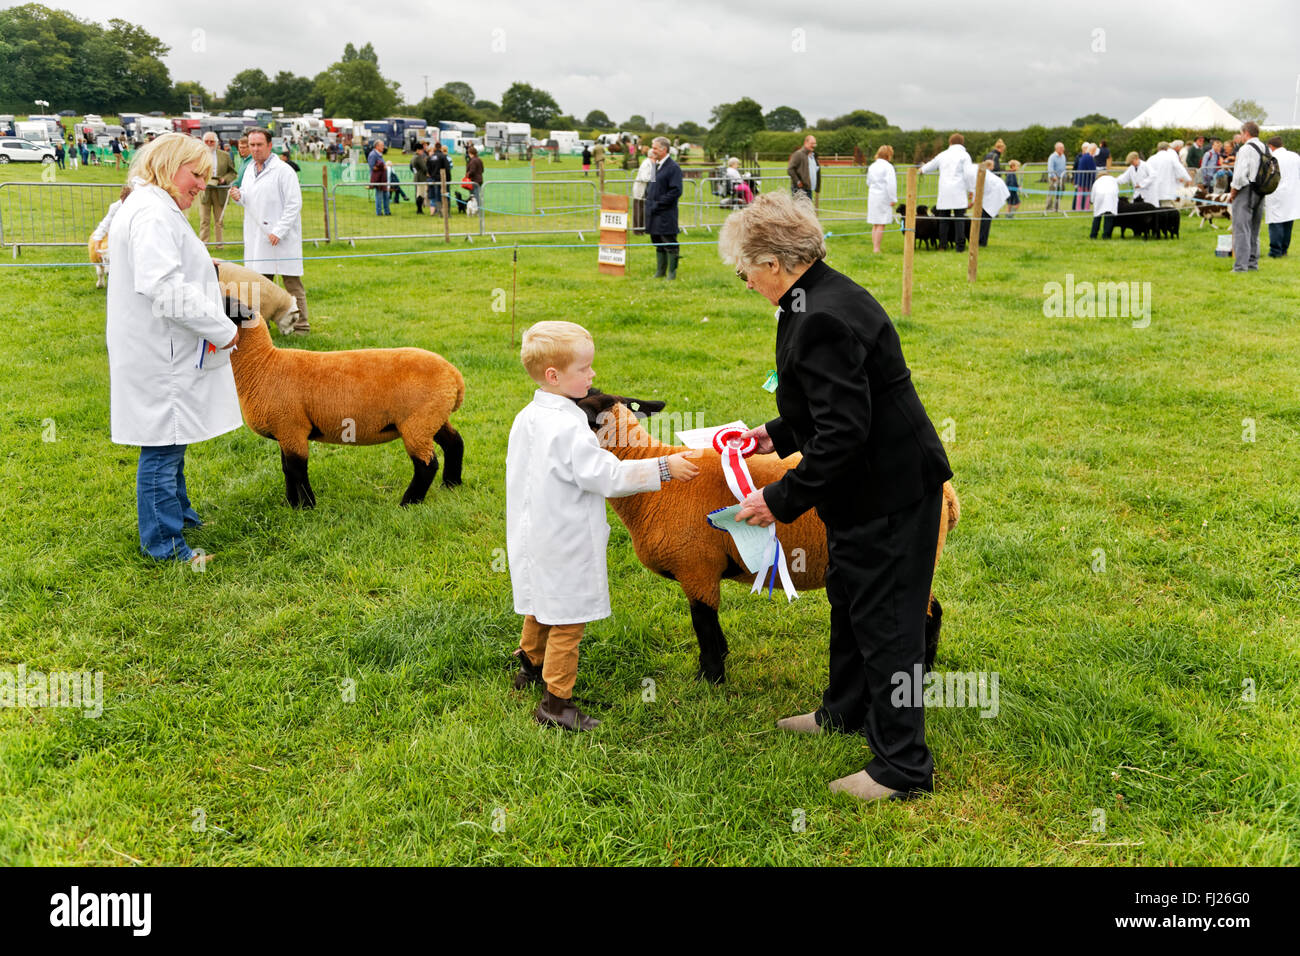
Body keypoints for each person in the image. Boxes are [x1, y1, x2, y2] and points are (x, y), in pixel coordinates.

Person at [719, 192, 952, 803]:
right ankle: (845, 710)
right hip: (861, 492)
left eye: (744, 267)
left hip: (890, 493)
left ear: (773, 262)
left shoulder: (822, 313)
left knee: (889, 625)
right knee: (850, 601)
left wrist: (780, 498)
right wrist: (774, 433)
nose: (743, 280)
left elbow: (847, 432)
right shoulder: (813, 297)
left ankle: (902, 768)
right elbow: (830, 406)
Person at [506, 321, 699, 731]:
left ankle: (527, 663)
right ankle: (556, 703)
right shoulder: (569, 425)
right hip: (564, 537)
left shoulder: (528, 415)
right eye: (585, 370)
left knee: (542, 601)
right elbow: (605, 475)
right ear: (554, 376)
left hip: (534, 533)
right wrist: (664, 466)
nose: (593, 377)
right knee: (568, 619)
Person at [105, 133, 241, 568]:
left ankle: (179, 515)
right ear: (167, 165)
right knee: (163, 443)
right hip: (160, 350)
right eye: (196, 174)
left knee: (172, 438)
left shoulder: (152, 206)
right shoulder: (151, 214)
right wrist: (224, 329)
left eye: (206, 175)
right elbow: (164, 287)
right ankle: (166, 546)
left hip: (163, 346)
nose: (203, 184)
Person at [230, 127, 309, 334]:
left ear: (269, 145)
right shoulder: (249, 170)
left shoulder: (284, 171)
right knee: (259, 284)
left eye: (259, 145)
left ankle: (301, 326)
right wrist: (239, 197)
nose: (255, 149)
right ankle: (260, 327)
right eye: (251, 145)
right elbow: (250, 198)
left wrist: (279, 231)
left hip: (280, 238)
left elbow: (294, 204)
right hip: (258, 237)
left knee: (292, 283)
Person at [920, 133, 972, 251]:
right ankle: (960, 247)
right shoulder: (965, 155)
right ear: (962, 143)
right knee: (959, 220)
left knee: (943, 220)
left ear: (950, 143)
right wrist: (971, 190)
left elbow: (932, 164)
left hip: (945, 191)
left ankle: (942, 245)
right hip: (959, 190)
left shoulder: (943, 154)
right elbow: (968, 174)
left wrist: (921, 170)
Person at [1230, 121, 1268, 272]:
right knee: (1254, 229)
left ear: (1246, 133)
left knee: (1241, 229)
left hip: (1245, 190)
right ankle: (1253, 263)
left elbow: (1240, 175)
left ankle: (1240, 266)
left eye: (1241, 133)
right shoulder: (1264, 147)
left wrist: (1233, 191)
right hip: (1260, 191)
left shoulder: (1246, 149)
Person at [646, 135, 682, 279]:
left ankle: (671, 273)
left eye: (654, 148)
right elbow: (653, 183)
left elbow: (676, 191)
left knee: (669, 241)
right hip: (653, 211)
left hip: (666, 212)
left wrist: (659, 203)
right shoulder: (657, 165)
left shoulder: (673, 167)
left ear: (664, 149)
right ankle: (660, 271)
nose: (652, 150)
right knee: (657, 241)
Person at [198, 132, 239, 246]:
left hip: (220, 190)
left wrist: (224, 180)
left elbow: (232, 173)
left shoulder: (225, 155)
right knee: (204, 220)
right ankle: (204, 244)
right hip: (204, 191)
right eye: (206, 141)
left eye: (212, 141)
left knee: (219, 220)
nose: (209, 144)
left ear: (216, 143)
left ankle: (219, 245)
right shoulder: (198, 155)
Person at [1265, 135, 1300, 257]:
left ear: (1271, 146)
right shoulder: (1295, 156)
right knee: (1288, 222)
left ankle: (1275, 251)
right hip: (1293, 194)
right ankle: (1284, 249)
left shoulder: (1272, 157)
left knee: (1276, 222)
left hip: (1277, 193)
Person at [965, 159, 1010, 247]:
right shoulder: (971, 169)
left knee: (986, 216)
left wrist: (972, 203)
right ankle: (980, 240)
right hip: (989, 191)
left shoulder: (969, 172)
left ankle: (982, 242)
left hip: (994, 190)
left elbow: (976, 188)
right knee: (983, 216)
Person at [866, 145, 897, 253]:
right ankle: (876, 248)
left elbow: (868, 182)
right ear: (889, 155)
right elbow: (891, 184)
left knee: (875, 223)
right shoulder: (888, 167)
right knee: (881, 223)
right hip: (883, 196)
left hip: (873, 195)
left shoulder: (872, 166)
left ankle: (875, 246)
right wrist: (893, 198)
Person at [787, 134, 819, 200]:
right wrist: (798, 182)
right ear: (805, 143)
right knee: (799, 209)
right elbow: (790, 169)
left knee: (808, 209)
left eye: (815, 143)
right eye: (812, 143)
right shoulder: (798, 154)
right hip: (799, 189)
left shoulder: (813, 155)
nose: (814, 145)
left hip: (809, 189)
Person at [632, 144, 654, 235]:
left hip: (645, 190)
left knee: (644, 211)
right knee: (639, 211)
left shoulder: (651, 164)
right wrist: (654, 177)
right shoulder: (646, 164)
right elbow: (644, 177)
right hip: (640, 191)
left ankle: (643, 228)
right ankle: (637, 230)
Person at [1090, 173, 1119, 239]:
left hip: (1099, 196)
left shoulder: (1097, 181)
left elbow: (1093, 193)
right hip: (1110, 197)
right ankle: (1106, 236)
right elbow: (1117, 191)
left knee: (1097, 217)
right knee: (1108, 217)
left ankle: (1093, 235)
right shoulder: (1113, 180)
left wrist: (1092, 201)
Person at [367, 139, 390, 216]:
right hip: (377, 179)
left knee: (386, 195)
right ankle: (379, 212)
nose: (383, 147)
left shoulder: (379, 154)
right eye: (382, 145)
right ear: (377, 146)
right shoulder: (372, 155)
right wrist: (383, 166)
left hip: (383, 178)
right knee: (379, 195)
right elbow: (372, 167)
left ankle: (387, 211)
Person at [1046, 142, 1067, 213]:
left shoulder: (1063, 156)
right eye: (1061, 148)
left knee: (1060, 192)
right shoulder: (1052, 157)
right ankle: (1048, 207)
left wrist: (1065, 176)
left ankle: (1056, 207)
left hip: (1062, 178)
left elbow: (1064, 167)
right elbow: (1050, 168)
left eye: (1063, 148)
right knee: (1052, 192)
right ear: (1056, 148)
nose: (1063, 149)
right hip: (1054, 177)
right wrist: (1053, 176)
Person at [410, 143, 429, 214]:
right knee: (421, 195)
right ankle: (419, 210)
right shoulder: (418, 157)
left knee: (418, 194)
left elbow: (411, 167)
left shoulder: (413, 157)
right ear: (418, 150)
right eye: (421, 150)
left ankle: (419, 209)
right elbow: (424, 168)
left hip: (416, 177)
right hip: (421, 178)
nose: (422, 151)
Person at [464, 144, 484, 209]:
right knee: (477, 195)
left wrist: (467, 175)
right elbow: (482, 170)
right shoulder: (479, 159)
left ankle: (477, 208)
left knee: (474, 196)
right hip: (479, 179)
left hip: (474, 180)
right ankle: (477, 208)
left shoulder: (473, 161)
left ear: (471, 153)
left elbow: (472, 171)